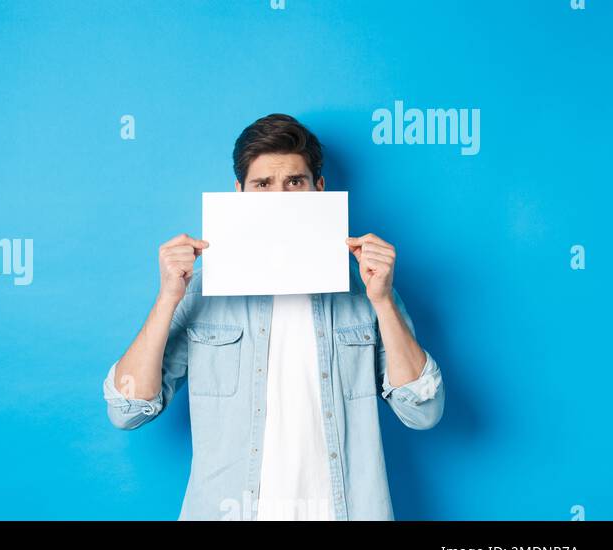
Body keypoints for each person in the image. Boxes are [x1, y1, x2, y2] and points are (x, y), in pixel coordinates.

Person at [103, 113, 445, 520]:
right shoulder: (200, 288)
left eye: (295, 183)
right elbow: (126, 410)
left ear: (319, 189)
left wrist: (384, 302)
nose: (279, 197)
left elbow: (423, 412)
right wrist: (167, 299)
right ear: (240, 193)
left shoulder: (365, 289)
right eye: (263, 184)